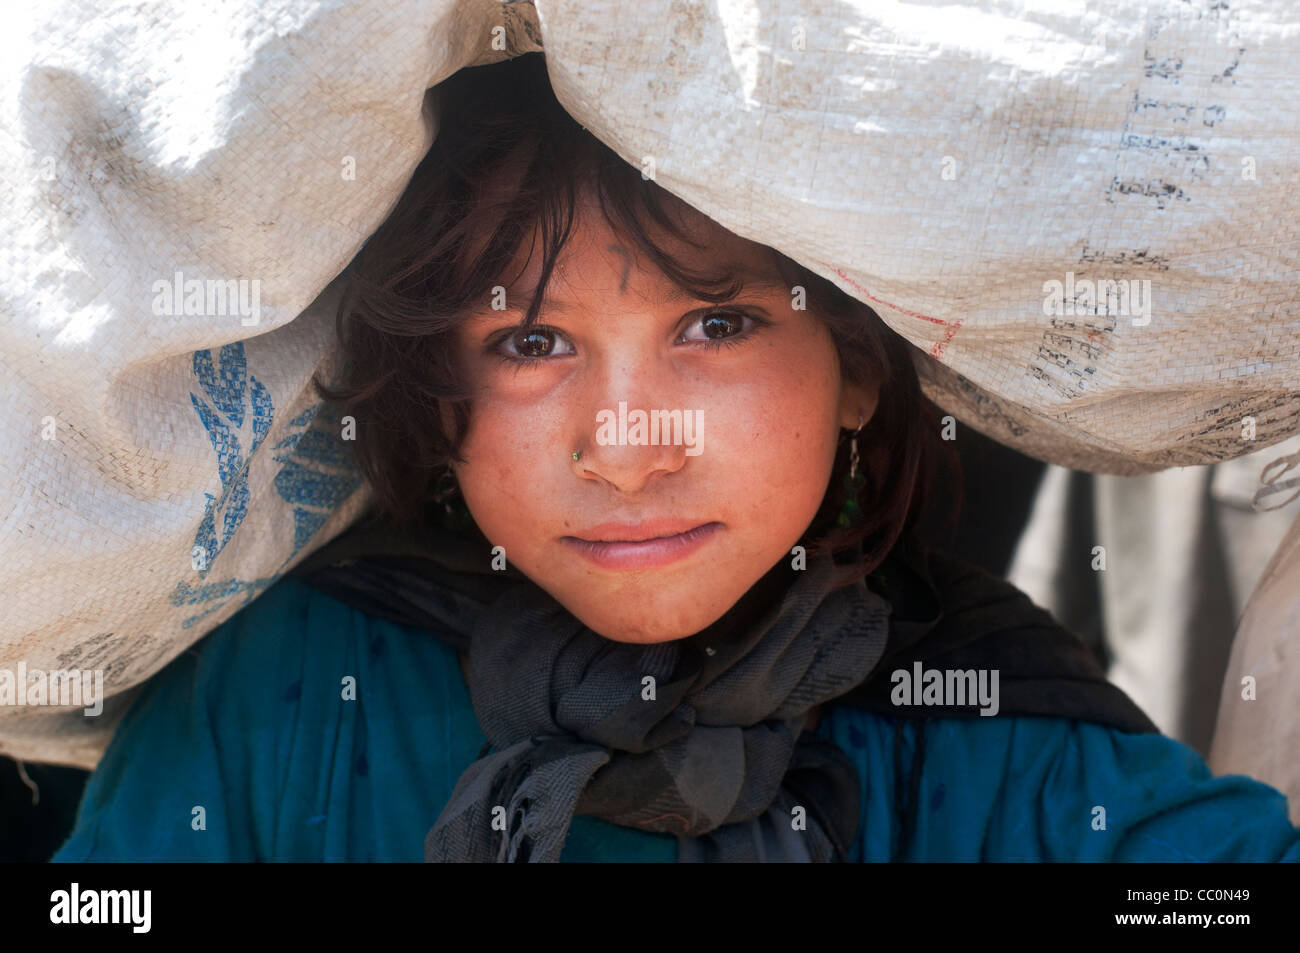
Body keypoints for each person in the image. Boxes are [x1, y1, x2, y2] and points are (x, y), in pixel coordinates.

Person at [51, 53, 1300, 862]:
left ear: (860, 369)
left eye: (716, 325)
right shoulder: (290, 686)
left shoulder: (983, 729)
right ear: (438, 398)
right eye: (532, 340)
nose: (629, 450)